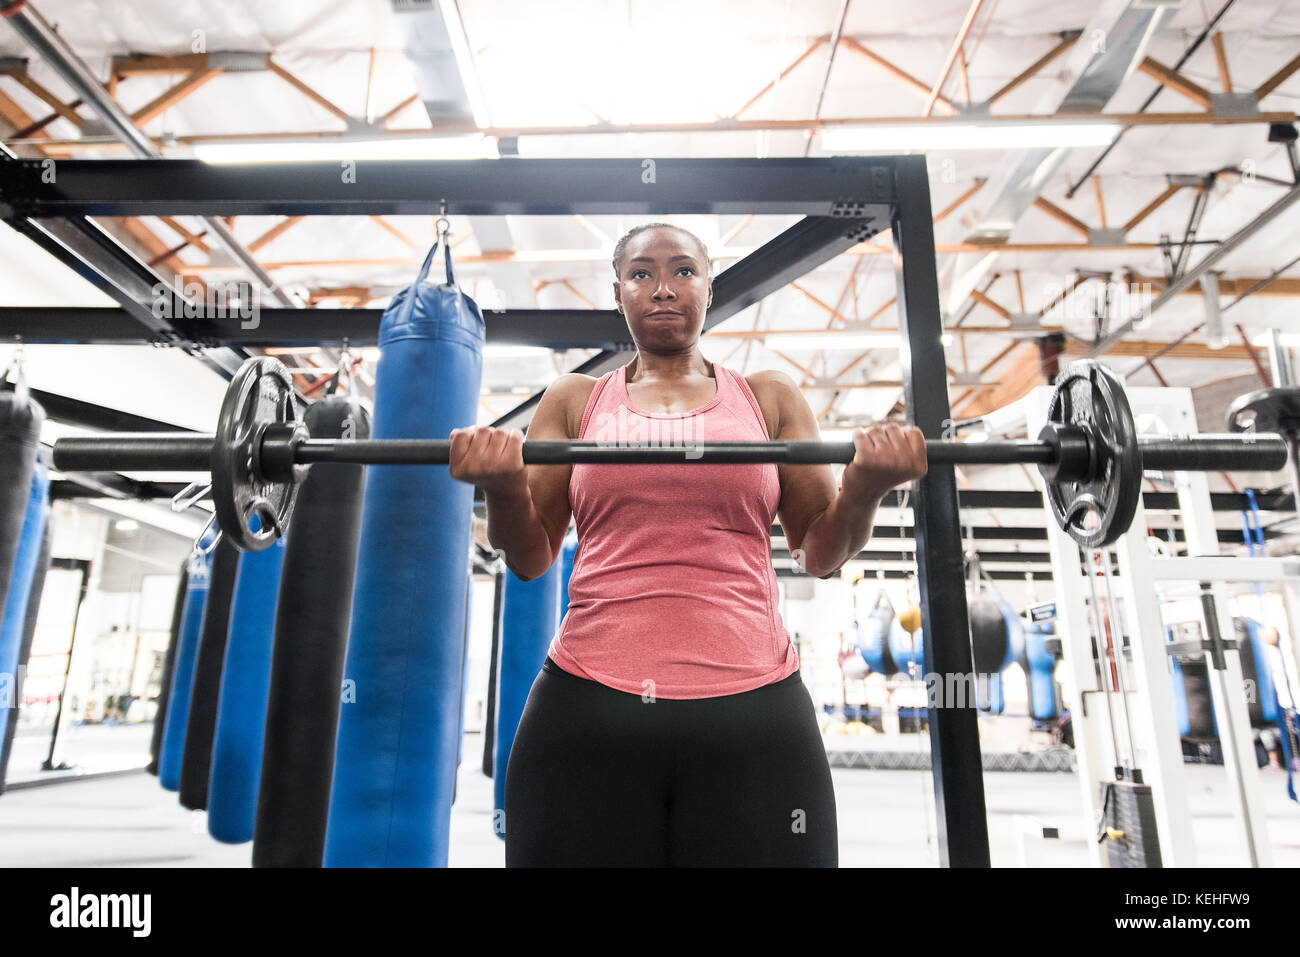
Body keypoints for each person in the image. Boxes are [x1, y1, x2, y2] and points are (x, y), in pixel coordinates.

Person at [449, 222, 927, 867]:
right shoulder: (574, 400)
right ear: (617, 292)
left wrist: (865, 486)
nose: (663, 288)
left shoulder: (768, 397)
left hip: (752, 715)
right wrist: (502, 487)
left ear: (708, 285)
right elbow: (532, 558)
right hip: (589, 709)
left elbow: (820, 552)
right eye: (641, 273)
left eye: (683, 271)